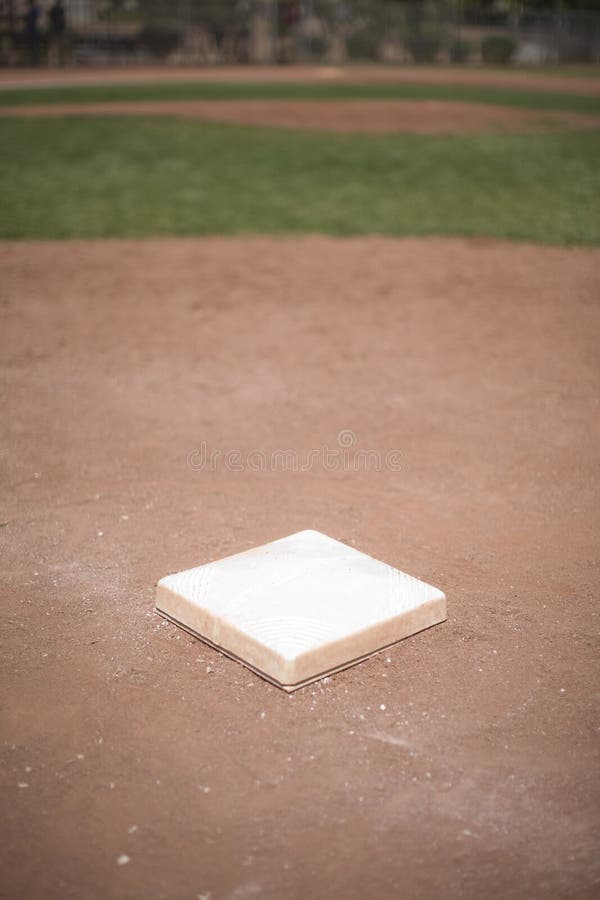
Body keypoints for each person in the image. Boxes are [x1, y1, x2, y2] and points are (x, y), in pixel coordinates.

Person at [47, 0, 67, 66]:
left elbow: (50, 18)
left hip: (55, 30)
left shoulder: (54, 9)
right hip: (58, 30)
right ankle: (60, 62)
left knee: (55, 46)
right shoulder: (60, 9)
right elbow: (63, 21)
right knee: (59, 46)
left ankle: (54, 62)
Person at [24, 0, 40, 66]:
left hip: (33, 31)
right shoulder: (31, 10)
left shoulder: (34, 10)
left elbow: (30, 20)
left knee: (33, 47)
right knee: (31, 47)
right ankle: (32, 61)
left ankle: (34, 61)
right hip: (30, 31)